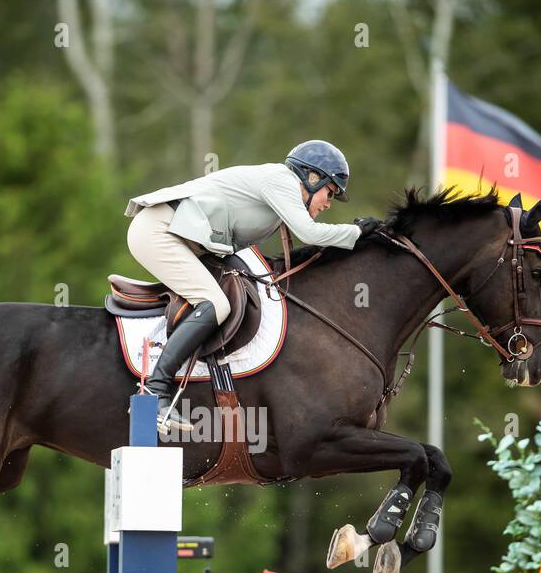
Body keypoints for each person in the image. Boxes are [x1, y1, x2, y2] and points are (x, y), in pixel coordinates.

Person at [125, 140, 382, 431]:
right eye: (329, 192)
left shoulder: (280, 193)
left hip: (171, 234)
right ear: (312, 178)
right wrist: (357, 232)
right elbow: (309, 234)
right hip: (158, 231)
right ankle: (154, 390)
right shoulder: (282, 181)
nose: (328, 203)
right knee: (215, 304)